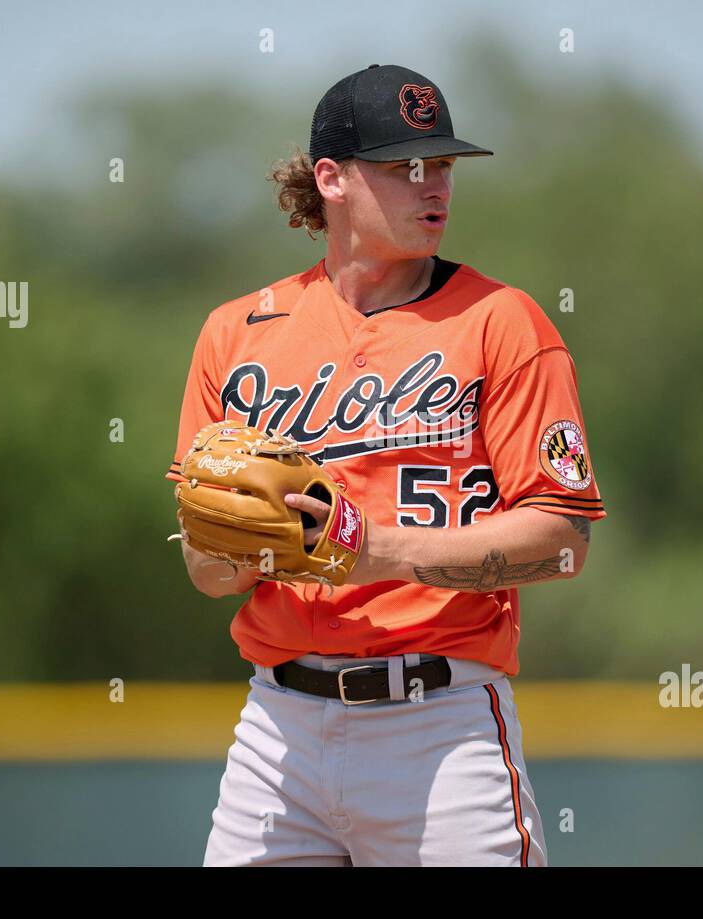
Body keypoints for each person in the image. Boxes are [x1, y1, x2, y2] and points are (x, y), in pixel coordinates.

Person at [166, 64, 606, 866]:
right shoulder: (238, 333)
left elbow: (565, 538)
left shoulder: (502, 323)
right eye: (404, 166)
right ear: (329, 179)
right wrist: (234, 545)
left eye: (440, 164)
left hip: (440, 726)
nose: (431, 184)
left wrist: (378, 550)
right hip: (279, 730)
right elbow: (206, 571)